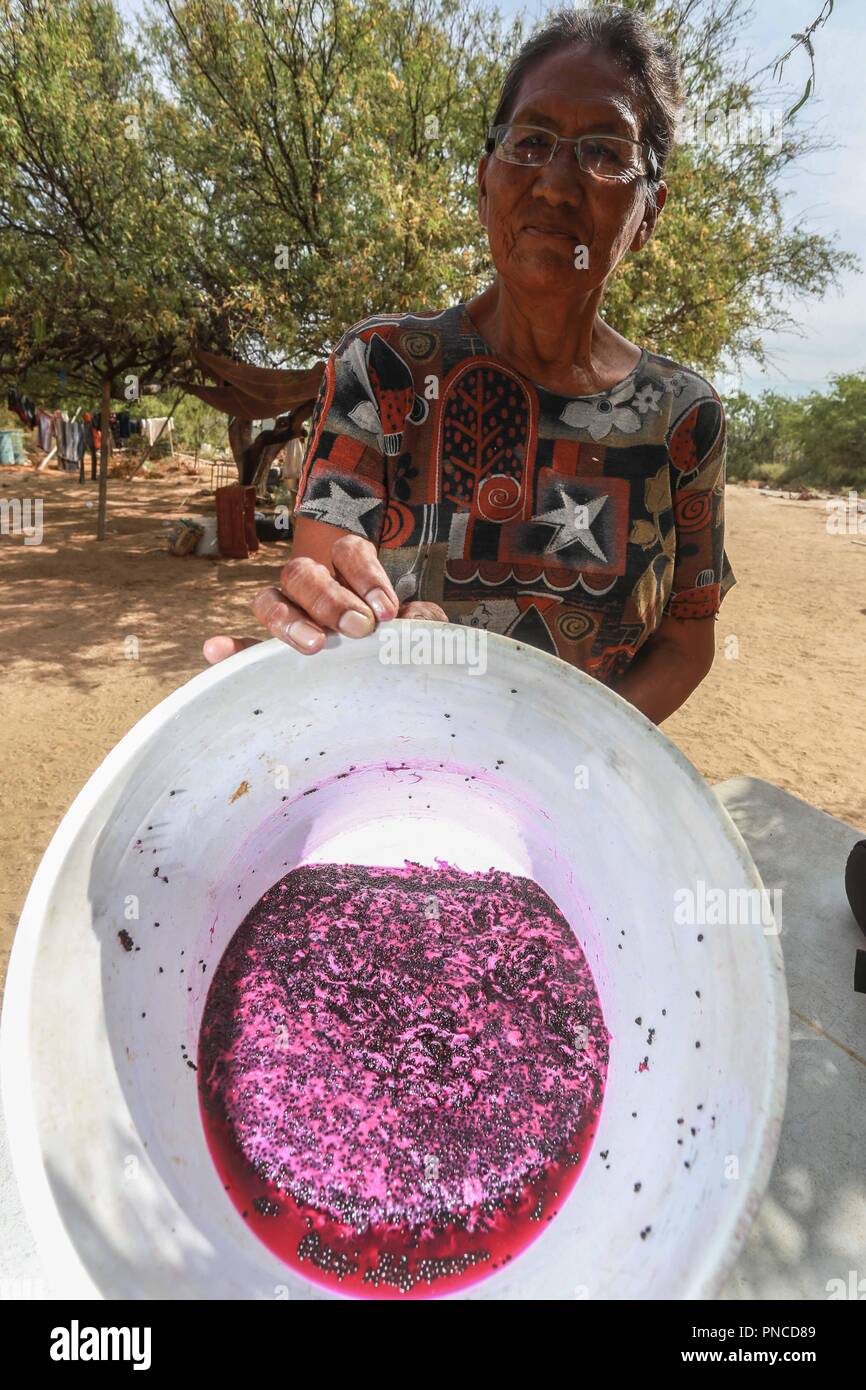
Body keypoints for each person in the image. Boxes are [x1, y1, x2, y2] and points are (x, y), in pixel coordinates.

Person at [204, 5, 736, 725]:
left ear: (649, 213)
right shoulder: (384, 368)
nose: (555, 184)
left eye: (606, 153)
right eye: (531, 141)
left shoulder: (684, 420)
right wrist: (334, 620)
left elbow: (685, 640)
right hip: (395, 762)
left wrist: (569, 757)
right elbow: (328, 585)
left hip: (571, 795)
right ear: (485, 181)